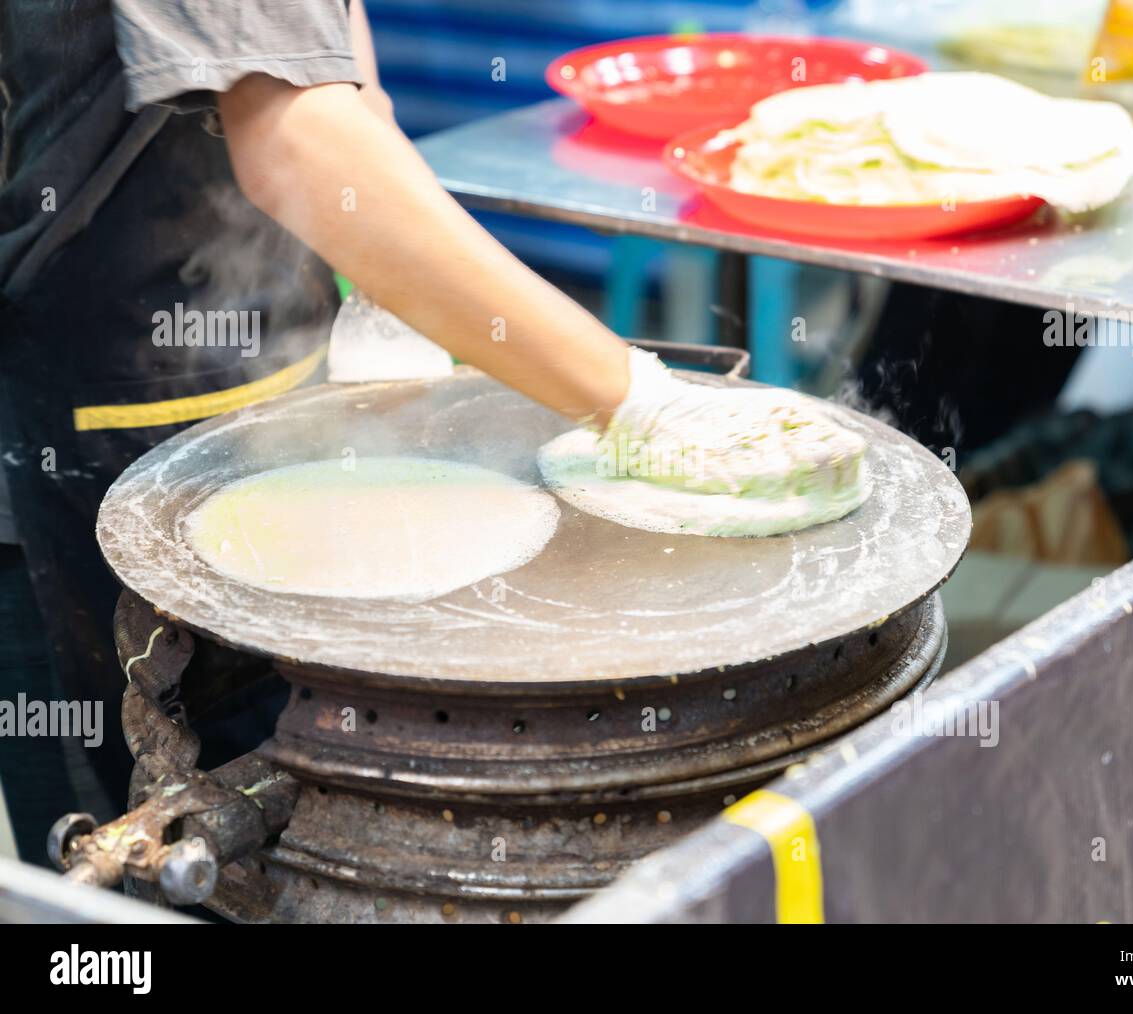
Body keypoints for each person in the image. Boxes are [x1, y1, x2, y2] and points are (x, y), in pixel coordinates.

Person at [0, 2, 850, 862]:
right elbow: (292, 133)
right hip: (101, 383)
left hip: (252, 329)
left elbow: (323, 60)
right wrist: (634, 399)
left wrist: (386, 243)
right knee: (154, 839)